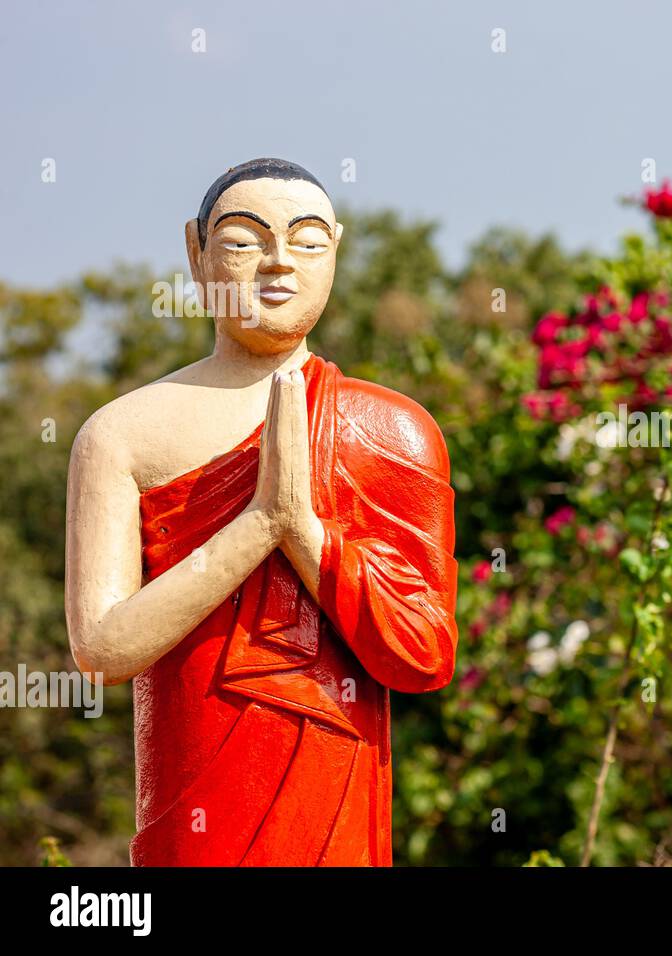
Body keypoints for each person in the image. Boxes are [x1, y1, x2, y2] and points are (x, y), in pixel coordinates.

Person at [64, 158, 459, 866]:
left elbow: (424, 654)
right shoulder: (123, 433)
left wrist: (304, 533)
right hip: (192, 800)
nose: (277, 263)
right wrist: (257, 525)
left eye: (306, 241)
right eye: (244, 241)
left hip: (333, 792)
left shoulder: (391, 429)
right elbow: (101, 650)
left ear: (336, 248)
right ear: (196, 250)